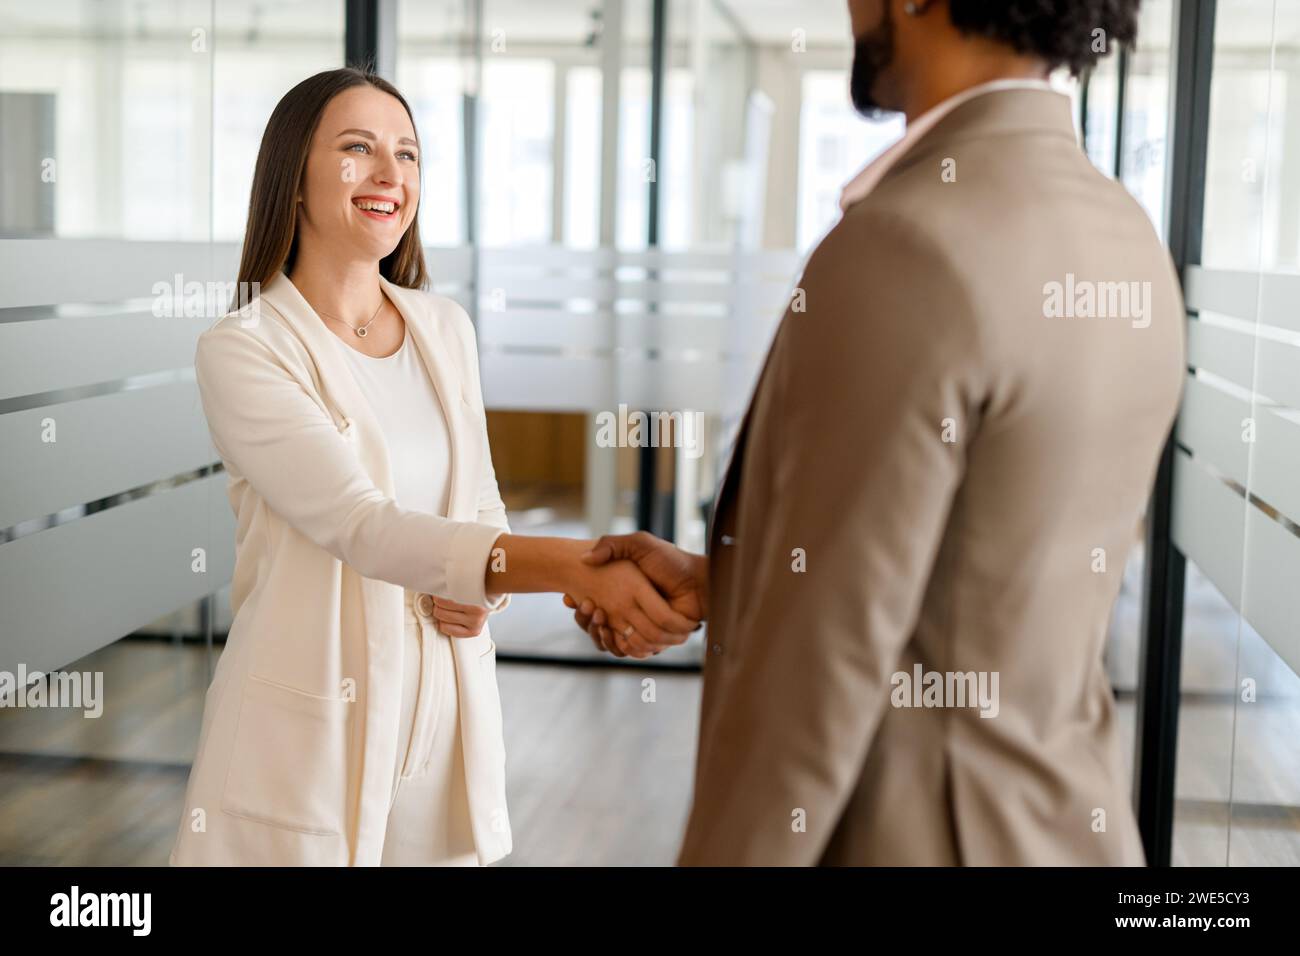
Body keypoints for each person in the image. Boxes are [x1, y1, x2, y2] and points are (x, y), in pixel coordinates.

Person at [568, 0, 1183, 865]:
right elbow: (987, 582)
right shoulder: (1124, 232)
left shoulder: (905, 244)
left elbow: (812, 691)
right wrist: (742, 580)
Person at [169, 68, 698, 868]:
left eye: (408, 154)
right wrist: (576, 570)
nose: (391, 175)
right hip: (308, 731)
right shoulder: (244, 350)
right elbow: (361, 525)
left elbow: (477, 502)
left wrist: (482, 582)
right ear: (294, 177)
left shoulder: (441, 326)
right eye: (358, 149)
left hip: (443, 718)